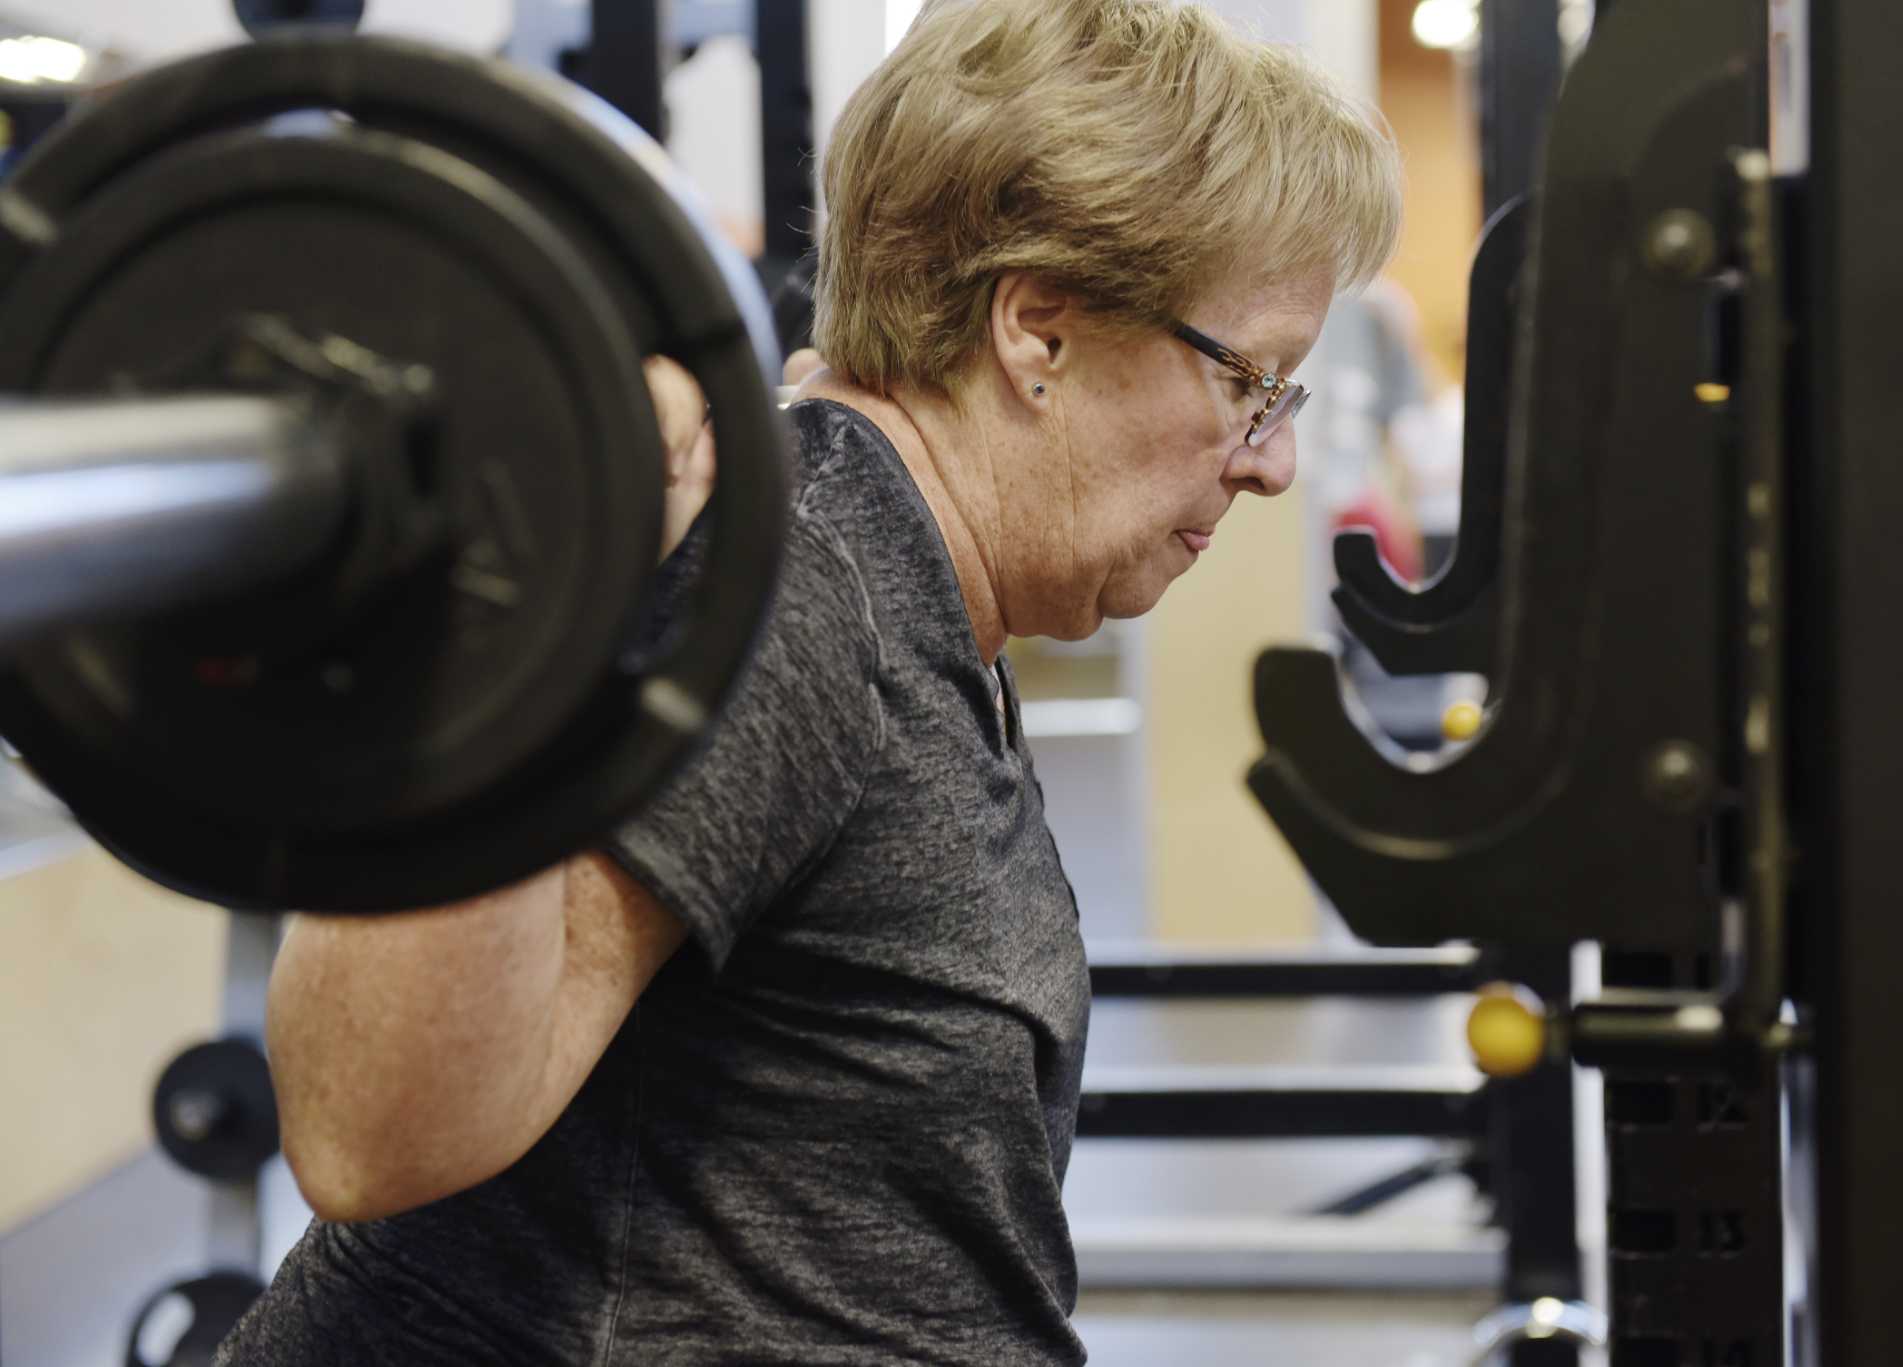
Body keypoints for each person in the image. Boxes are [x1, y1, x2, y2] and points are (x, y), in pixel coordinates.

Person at [217, 2, 1399, 1362]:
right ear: (1039, 332)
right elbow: (375, 1127)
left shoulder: (895, 577)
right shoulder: (803, 589)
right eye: (1254, 385)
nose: (1271, 465)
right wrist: (508, 587)